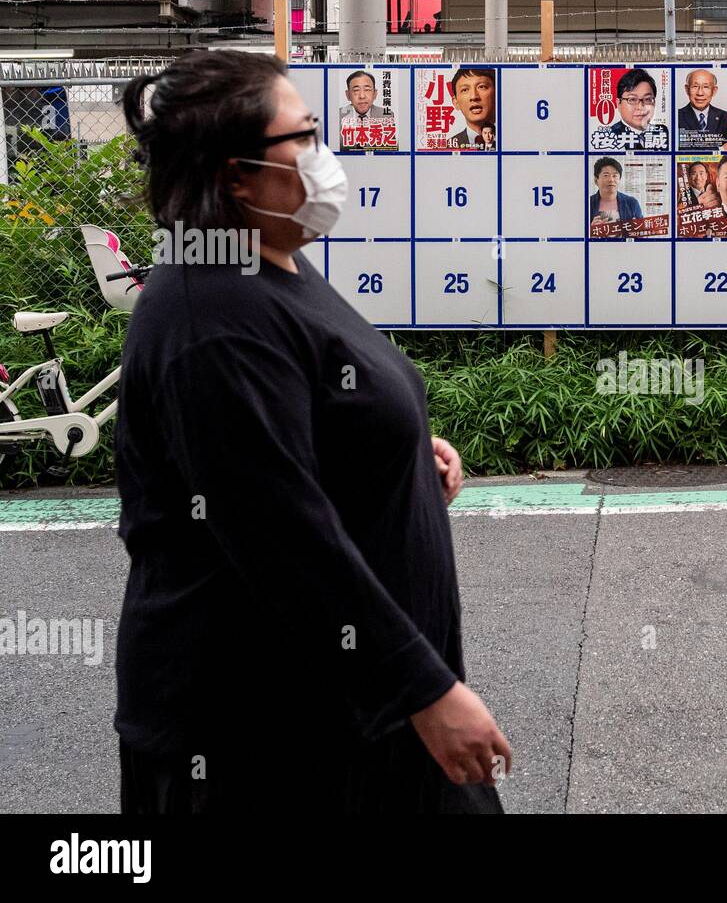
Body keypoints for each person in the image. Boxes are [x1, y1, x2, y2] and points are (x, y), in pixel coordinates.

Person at [115, 49, 511, 812]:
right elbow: (275, 531)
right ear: (234, 174)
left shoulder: (270, 260)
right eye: (302, 137)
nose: (323, 158)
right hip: (267, 737)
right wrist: (424, 690)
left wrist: (396, 455)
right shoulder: (212, 318)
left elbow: (301, 423)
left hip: (350, 712)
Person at [603, 68, 669, 150]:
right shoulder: (608, 138)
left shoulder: (663, 132)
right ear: (618, 104)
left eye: (647, 99)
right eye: (632, 100)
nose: (641, 107)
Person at [676, 69, 727, 148]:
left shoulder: (725, 118)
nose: (700, 93)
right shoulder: (676, 117)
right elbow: (678, 149)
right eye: (695, 86)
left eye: (706, 87)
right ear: (687, 89)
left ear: (714, 91)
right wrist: (720, 150)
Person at [447, 68, 496, 149]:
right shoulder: (447, 147)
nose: (474, 96)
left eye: (482, 87)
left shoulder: (513, 140)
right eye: (465, 90)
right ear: (456, 103)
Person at [589, 156, 644, 227]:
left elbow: (643, 233)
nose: (611, 179)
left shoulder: (632, 203)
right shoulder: (587, 204)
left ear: (619, 180)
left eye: (615, 176)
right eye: (606, 175)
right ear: (596, 180)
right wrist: (590, 232)